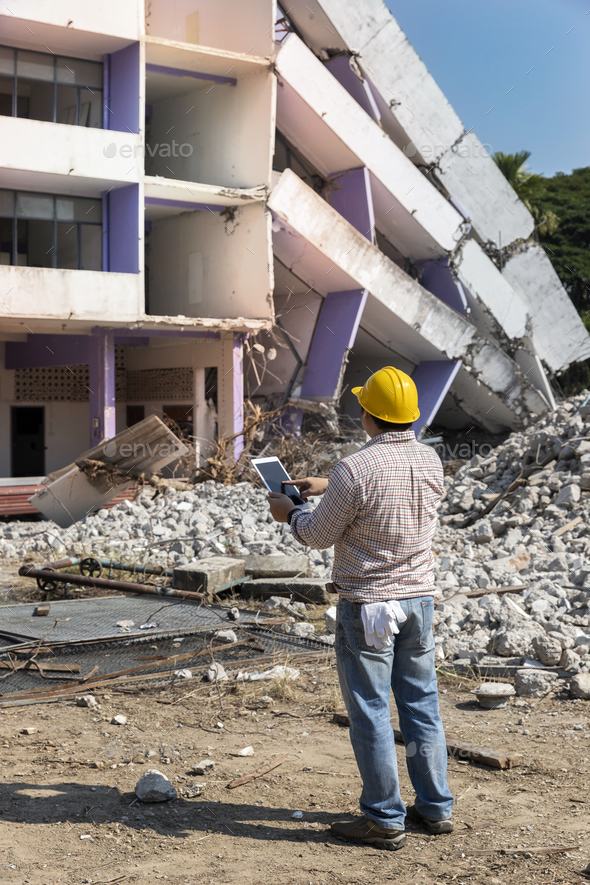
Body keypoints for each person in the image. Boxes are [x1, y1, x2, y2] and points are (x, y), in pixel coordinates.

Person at [268, 366, 454, 851]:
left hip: (370, 606)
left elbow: (315, 535)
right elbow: (389, 479)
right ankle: (435, 808)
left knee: (370, 711)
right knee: (421, 703)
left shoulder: (355, 470)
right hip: (418, 603)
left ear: (368, 415)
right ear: (410, 415)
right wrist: (326, 483)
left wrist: (290, 511)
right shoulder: (432, 462)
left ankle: (383, 818)